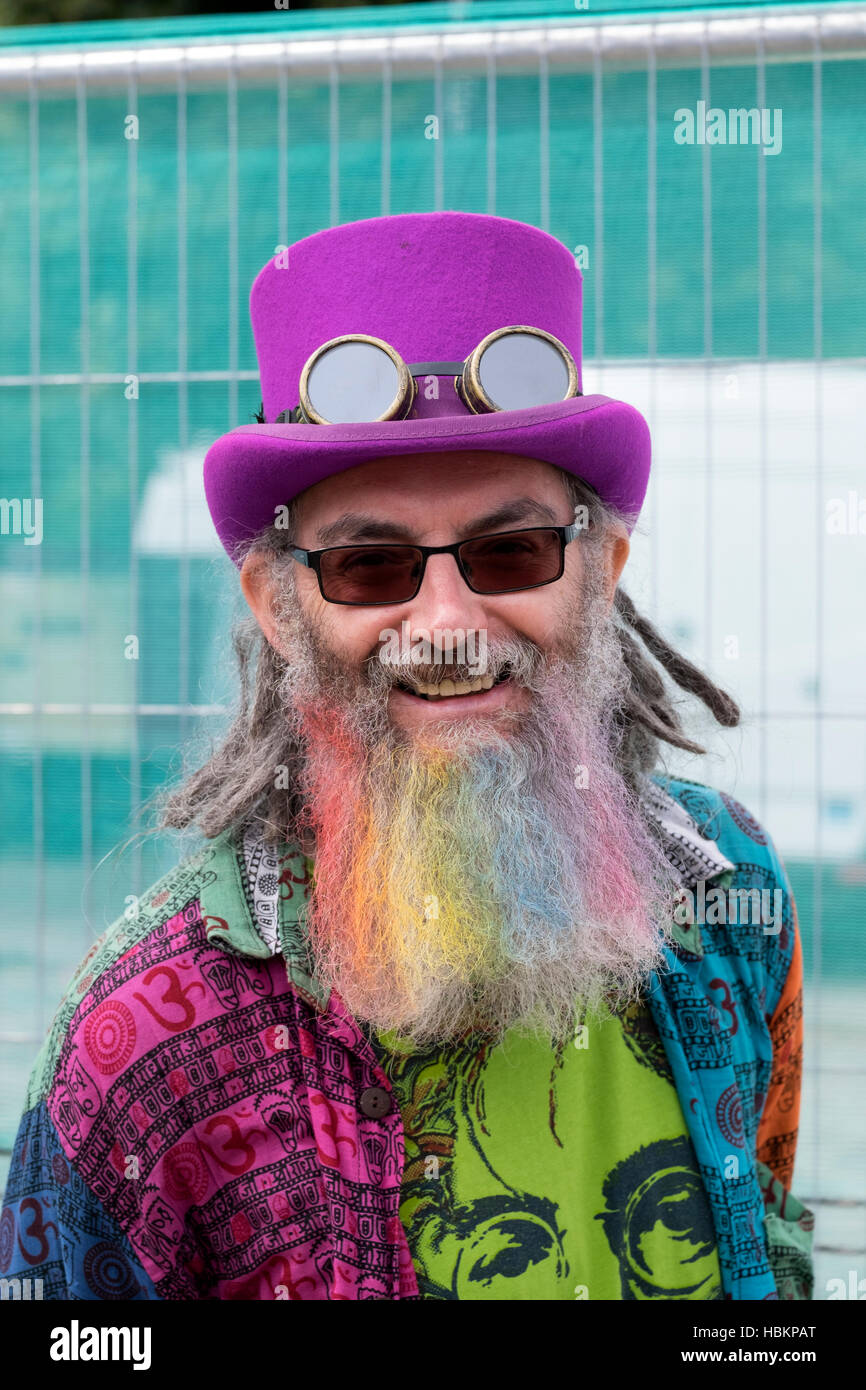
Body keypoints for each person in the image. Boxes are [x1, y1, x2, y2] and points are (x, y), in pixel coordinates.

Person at [0, 212, 813, 1301]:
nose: (444, 624)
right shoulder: (138, 1043)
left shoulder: (728, 893)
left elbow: (763, 1233)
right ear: (279, 607)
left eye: (508, 550)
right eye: (369, 566)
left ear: (599, 567)